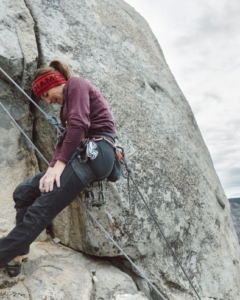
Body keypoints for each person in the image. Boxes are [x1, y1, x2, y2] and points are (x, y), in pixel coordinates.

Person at [0, 60, 116, 277]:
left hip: (97, 153)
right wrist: (53, 167)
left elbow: (79, 125)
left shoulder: (76, 84)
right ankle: (17, 252)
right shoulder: (65, 109)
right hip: (83, 155)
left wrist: (60, 165)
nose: (48, 101)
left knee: (41, 209)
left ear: (54, 83)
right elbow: (63, 142)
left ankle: (5, 252)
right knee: (24, 192)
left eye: (46, 94)